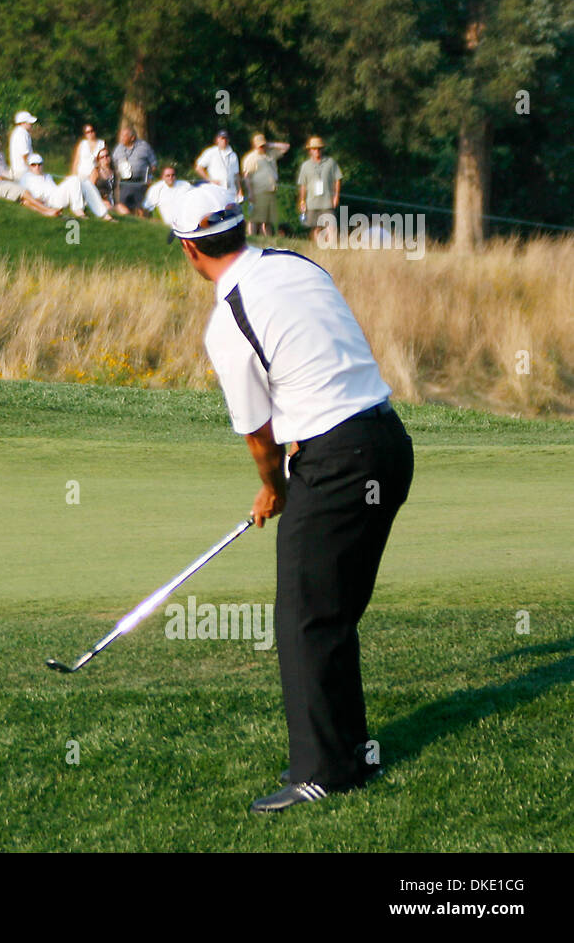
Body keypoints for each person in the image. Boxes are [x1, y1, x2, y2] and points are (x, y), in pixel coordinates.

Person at [168, 183, 413, 813]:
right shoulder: (297, 263)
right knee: (330, 614)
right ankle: (347, 754)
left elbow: (258, 434)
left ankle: (323, 772)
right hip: (386, 441)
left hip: (335, 463)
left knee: (306, 618)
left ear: (191, 249)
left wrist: (273, 487)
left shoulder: (228, 321)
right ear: (239, 228)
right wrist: (288, 472)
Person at [21, 153, 114, 220]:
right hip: (49, 201)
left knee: (86, 182)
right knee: (74, 179)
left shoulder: (46, 176)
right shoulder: (26, 178)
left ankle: (103, 214)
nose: (37, 167)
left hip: (57, 196)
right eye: (33, 165)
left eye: (39, 164)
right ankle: (78, 209)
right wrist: (46, 210)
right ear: (29, 166)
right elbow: (27, 198)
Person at [241, 134, 291, 238]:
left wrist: (271, 144)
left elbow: (286, 147)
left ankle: (267, 239)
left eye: (263, 145)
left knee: (267, 219)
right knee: (255, 218)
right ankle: (252, 237)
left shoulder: (271, 154)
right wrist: (250, 192)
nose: (262, 147)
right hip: (258, 191)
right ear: (254, 146)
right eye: (260, 146)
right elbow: (246, 176)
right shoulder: (251, 158)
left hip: (271, 190)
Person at [297, 136, 343, 242]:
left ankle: (331, 247)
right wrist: (302, 200)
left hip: (327, 201)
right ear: (310, 151)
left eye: (319, 148)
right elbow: (303, 184)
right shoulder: (305, 165)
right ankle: (318, 248)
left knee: (331, 226)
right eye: (314, 149)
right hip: (312, 203)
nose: (316, 151)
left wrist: (336, 196)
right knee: (315, 228)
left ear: (322, 149)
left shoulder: (331, 162)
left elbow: (338, 179)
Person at [113, 125, 158, 212]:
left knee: (141, 209)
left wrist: (150, 178)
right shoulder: (118, 148)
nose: (121, 138)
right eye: (121, 135)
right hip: (124, 183)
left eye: (124, 136)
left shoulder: (144, 146)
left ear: (132, 138)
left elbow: (154, 165)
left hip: (141, 183)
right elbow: (113, 164)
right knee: (123, 207)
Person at [195, 129, 240, 199]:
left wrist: (240, 190)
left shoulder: (233, 154)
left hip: (231, 190)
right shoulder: (211, 152)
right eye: (222, 138)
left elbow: (236, 174)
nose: (224, 141)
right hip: (216, 190)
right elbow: (199, 168)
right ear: (217, 140)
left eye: (226, 138)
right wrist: (210, 180)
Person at [89, 150, 128, 216]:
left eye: (107, 156)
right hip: (100, 200)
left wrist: (117, 202)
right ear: (99, 160)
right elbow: (90, 189)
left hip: (112, 200)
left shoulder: (115, 173)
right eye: (102, 157)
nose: (105, 158)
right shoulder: (96, 172)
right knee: (109, 209)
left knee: (125, 211)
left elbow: (116, 189)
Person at [9, 110, 37, 180]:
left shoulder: (20, 132)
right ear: (23, 123)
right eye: (29, 122)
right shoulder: (21, 134)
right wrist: (32, 168)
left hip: (21, 170)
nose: (31, 124)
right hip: (22, 171)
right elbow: (24, 154)